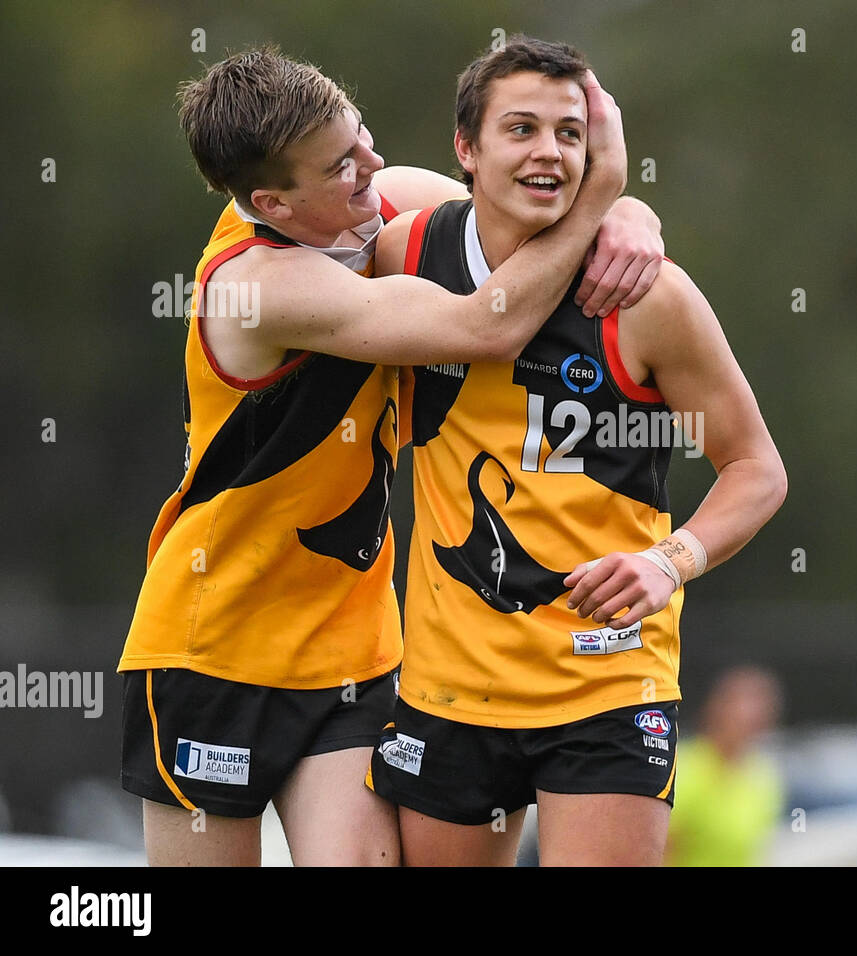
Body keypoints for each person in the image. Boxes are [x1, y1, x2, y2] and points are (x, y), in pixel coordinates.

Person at [118, 45, 665, 866]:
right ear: (272, 201)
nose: (373, 163)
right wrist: (606, 192)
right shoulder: (256, 288)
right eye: (342, 164)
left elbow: (525, 229)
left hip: (354, 652)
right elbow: (491, 323)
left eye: (362, 135)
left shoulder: (374, 200)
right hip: (211, 649)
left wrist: (628, 216)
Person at [366, 35, 787, 867]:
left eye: (569, 133)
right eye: (520, 129)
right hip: (449, 688)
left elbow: (757, 468)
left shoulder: (645, 292)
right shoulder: (403, 253)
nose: (548, 152)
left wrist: (670, 560)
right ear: (466, 149)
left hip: (605, 687)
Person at [665, 667, 785, 867]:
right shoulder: (685, 767)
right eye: (742, 705)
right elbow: (663, 849)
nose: (751, 716)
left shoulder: (764, 776)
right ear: (716, 709)